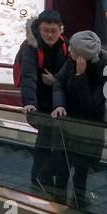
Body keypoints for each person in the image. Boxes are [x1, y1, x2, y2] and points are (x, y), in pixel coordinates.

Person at [49, 30, 107, 205]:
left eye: (72, 49)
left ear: (83, 57)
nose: (69, 50)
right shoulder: (71, 60)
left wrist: (80, 76)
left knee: (81, 167)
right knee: (62, 163)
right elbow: (58, 82)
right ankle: (59, 197)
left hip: (88, 130)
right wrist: (59, 105)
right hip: (67, 126)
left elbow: (90, 104)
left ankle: (79, 200)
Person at [18, 10, 69, 196]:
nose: (49, 35)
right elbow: (28, 76)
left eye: (53, 31)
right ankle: (41, 180)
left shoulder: (66, 46)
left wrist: (55, 80)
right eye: (45, 30)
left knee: (53, 140)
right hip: (40, 103)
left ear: (60, 30)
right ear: (39, 29)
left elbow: (67, 76)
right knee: (47, 138)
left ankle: (43, 180)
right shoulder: (31, 47)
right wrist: (30, 102)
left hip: (59, 104)